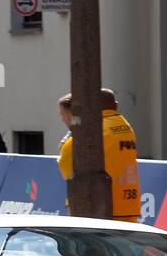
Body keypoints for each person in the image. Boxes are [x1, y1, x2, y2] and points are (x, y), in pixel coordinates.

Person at [57, 89, 142, 222]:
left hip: (100, 204)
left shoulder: (94, 128)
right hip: (128, 204)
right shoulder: (125, 126)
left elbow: (65, 162)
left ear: (92, 106)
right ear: (116, 105)